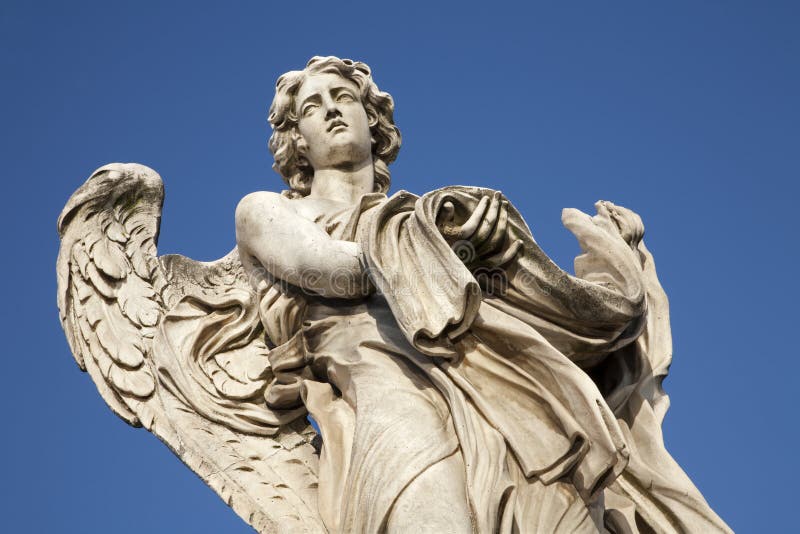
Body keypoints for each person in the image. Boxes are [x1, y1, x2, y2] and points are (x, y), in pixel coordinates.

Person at [235, 56, 730, 534]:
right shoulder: (268, 211)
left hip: (494, 382)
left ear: (374, 122)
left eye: (343, 97)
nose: (331, 110)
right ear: (296, 139)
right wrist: (444, 239)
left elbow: (537, 321)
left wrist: (517, 257)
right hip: (389, 398)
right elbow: (335, 272)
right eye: (313, 106)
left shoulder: (423, 226)